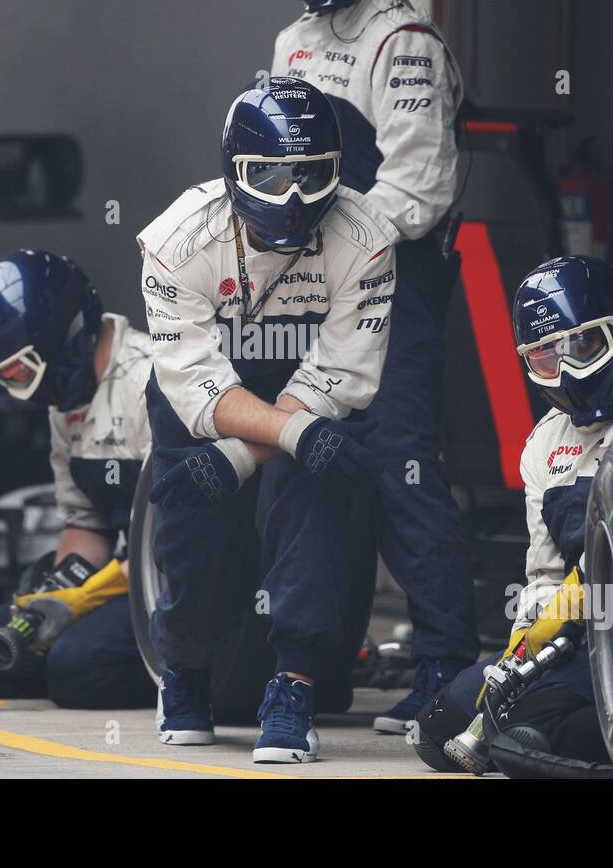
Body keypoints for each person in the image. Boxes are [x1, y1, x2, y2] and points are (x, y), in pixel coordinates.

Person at [139, 76, 396, 763]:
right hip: (203, 405)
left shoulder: (368, 237)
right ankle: (186, 672)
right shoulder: (174, 241)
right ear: (234, 173)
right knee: (194, 548)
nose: (292, 197)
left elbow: (342, 373)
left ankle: (294, 687)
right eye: (271, 175)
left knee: (314, 508)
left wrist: (268, 445)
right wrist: (281, 435)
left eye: (311, 176)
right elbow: (194, 383)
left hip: (310, 399)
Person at [264, 0, 478, 733]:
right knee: (313, 464)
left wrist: (335, 257)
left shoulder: (404, 40)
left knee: (400, 468)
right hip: (309, 280)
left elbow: (418, 192)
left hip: (395, 280)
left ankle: (446, 669)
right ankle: (320, 664)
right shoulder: (293, 43)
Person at [414, 256, 613, 773]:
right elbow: (541, 577)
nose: (565, 372)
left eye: (582, 346)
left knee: (529, 733)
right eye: (544, 358)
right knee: (438, 727)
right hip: (576, 638)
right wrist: (525, 648)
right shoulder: (544, 443)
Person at [0, 250, 155, 709]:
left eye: (19, 372)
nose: (17, 390)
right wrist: (58, 590)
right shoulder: (67, 398)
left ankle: (196, 673)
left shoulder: (151, 382)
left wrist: (89, 596)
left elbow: (185, 531)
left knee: (77, 671)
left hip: (170, 576)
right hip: (114, 573)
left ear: (64, 337)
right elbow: (85, 523)